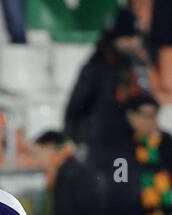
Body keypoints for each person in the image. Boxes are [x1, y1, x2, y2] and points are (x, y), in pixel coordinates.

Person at [64, 7, 156, 172]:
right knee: (114, 186)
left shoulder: (133, 64)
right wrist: (77, 139)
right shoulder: (98, 66)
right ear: (119, 38)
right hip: (101, 142)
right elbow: (76, 106)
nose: (136, 42)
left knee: (125, 184)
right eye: (130, 37)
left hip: (124, 142)